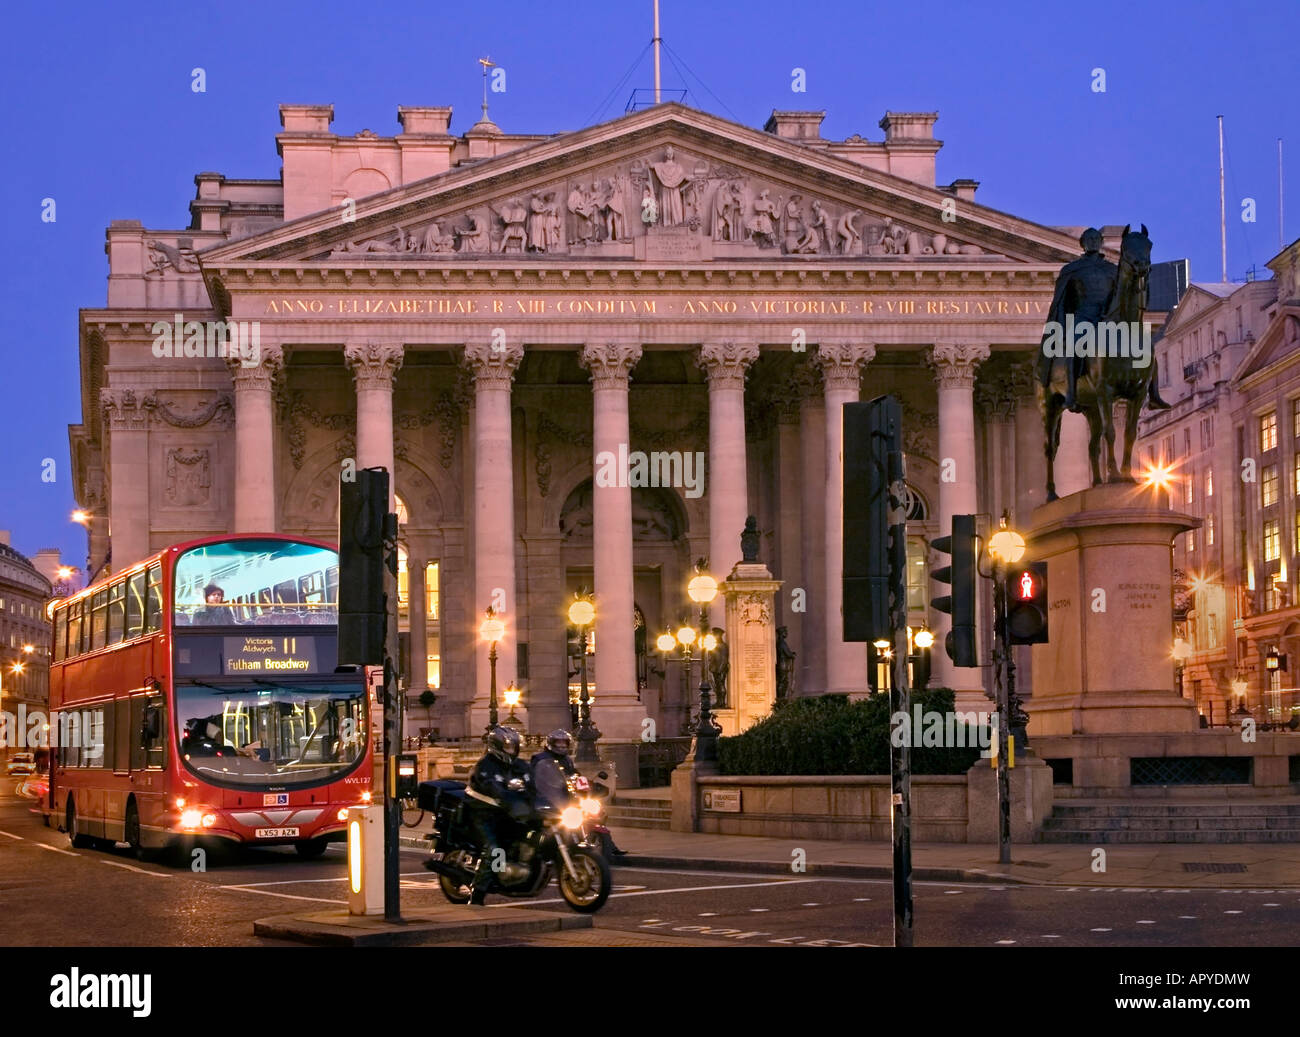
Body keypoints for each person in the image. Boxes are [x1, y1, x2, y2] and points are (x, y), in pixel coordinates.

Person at [455, 726, 530, 905]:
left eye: (513, 746)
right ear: (497, 746)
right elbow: (493, 787)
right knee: (494, 848)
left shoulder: (519, 765)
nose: (511, 750)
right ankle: (478, 893)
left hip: (504, 814)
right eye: (507, 747)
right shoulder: (485, 765)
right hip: (481, 814)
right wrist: (506, 797)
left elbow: (532, 783)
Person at [530, 730, 626, 858]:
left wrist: (588, 784)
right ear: (551, 743)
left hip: (569, 797)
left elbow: (576, 774)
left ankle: (609, 846)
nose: (561, 745)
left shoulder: (567, 760)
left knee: (595, 814)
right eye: (558, 742)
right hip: (550, 799)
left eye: (564, 742)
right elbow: (536, 779)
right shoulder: (540, 759)